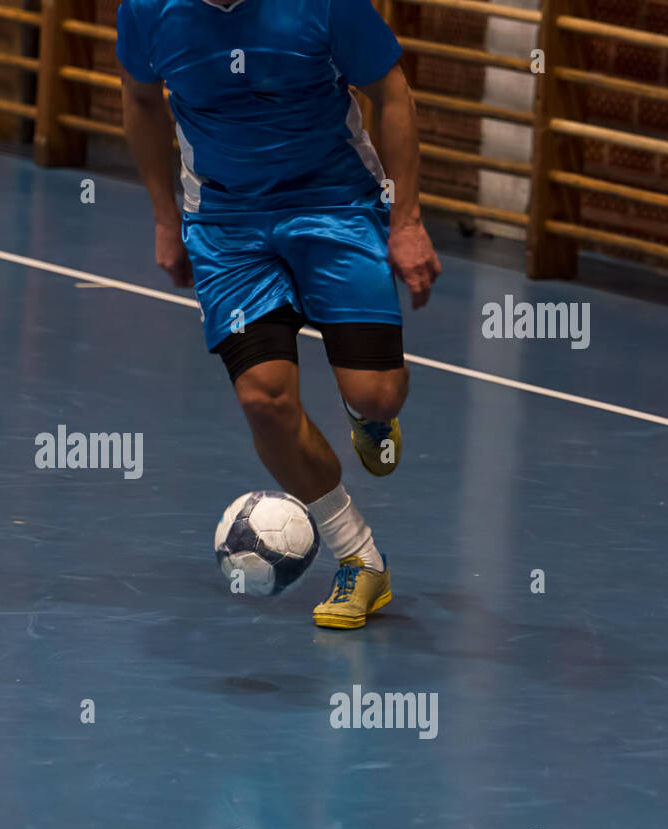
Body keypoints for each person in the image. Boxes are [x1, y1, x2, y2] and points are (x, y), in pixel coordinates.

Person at [117, 0, 441, 628]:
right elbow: (138, 100)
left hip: (336, 206)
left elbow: (391, 92)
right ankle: (360, 559)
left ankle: (364, 415)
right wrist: (164, 218)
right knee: (264, 400)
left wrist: (406, 222)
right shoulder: (148, 10)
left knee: (377, 394)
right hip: (226, 224)